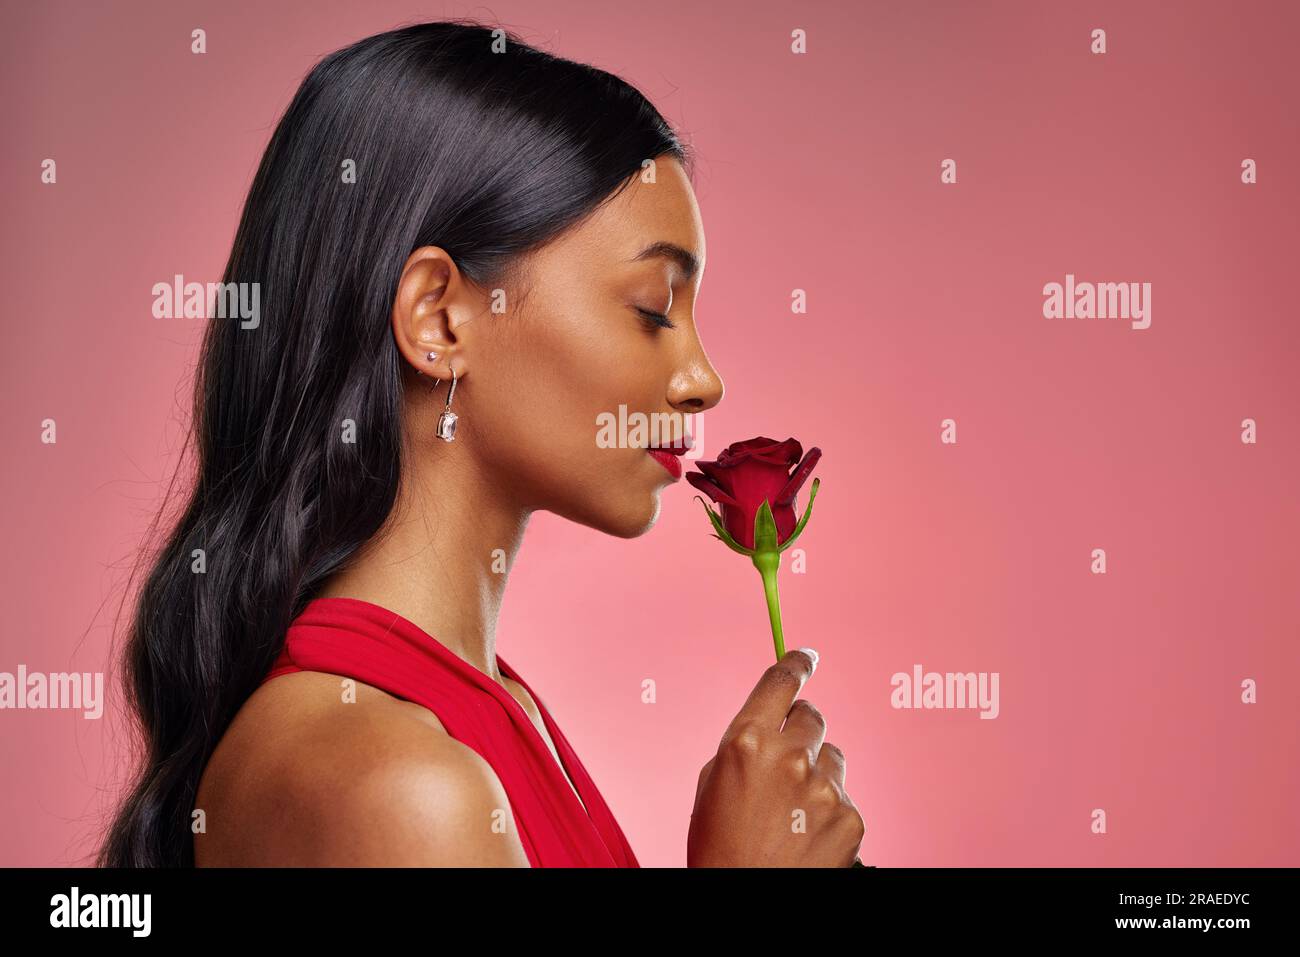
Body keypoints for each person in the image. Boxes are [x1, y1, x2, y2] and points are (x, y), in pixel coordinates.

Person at [98, 19, 864, 868]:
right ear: (438, 317)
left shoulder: (498, 713)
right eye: (653, 307)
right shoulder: (398, 781)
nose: (702, 378)